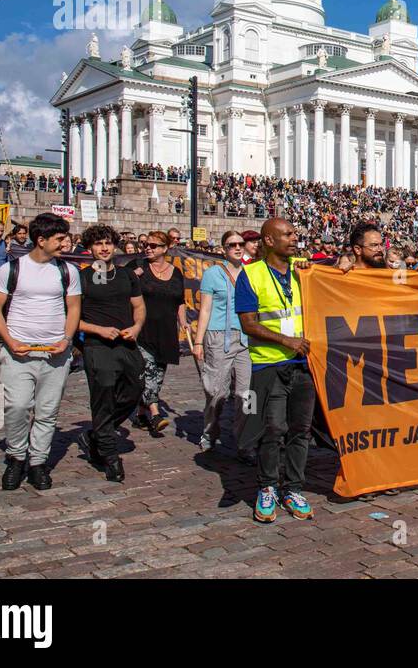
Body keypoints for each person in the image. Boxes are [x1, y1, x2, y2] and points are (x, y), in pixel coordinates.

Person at [0, 213, 82, 491]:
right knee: (16, 407)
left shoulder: (68, 271)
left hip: (55, 352)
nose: (66, 243)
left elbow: (73, 308)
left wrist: (66, 339)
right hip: (18, 351)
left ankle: (38, 461)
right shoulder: (11, 269)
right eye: (60, 238)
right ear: (41, 240)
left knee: (47, 411)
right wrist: (9, 340)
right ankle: (17, 456)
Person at [235, 218, 316, 522]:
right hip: (269, 363)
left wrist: (346, 260)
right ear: (269, 240)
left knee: (300, 430)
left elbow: (338, 271)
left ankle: (293, 488)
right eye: (288, 235)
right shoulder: (251, 275)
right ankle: (267, 486)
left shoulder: (304, 269)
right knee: (273, 429)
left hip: (304, 365)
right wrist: (286, 340)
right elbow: (248, 324)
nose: (295, 238)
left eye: (295, 233)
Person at [76, 224, 145, 482]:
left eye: (107, 243)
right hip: (97, 345)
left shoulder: (127, 275)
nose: (104, 248)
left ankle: (96, 434)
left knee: (135, 391)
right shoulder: (81, 278)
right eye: (98, 244)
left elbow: (138, 306)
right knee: (103, 397)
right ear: (90, 248)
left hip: (127, 344)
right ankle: (109, 456)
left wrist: (137, 327)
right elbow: (71, 318)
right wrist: (99, 330)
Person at [193, 231, 251, 455]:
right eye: (231, 245)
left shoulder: (250, 272)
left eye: (240, 244)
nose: (237, 248)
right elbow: (205, 309)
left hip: (246, 338)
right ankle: (209, 432)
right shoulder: (213, 273)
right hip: (218, 336)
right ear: (224, 249)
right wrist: (198, 342)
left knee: (247, 394)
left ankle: (245, 439)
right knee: (216, 392)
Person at [132, 231, 186, 434]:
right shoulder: (138, 267)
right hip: (142, 328)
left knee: (159, 374)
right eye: (146, 244)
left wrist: (183, 321)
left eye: (154, 245)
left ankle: (140, 414)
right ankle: (155, 414)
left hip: (166, 329)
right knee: (148, 370)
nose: (148, 248)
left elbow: (179, 299)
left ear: (165, 248)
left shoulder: (176, 272)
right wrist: (131, 276)